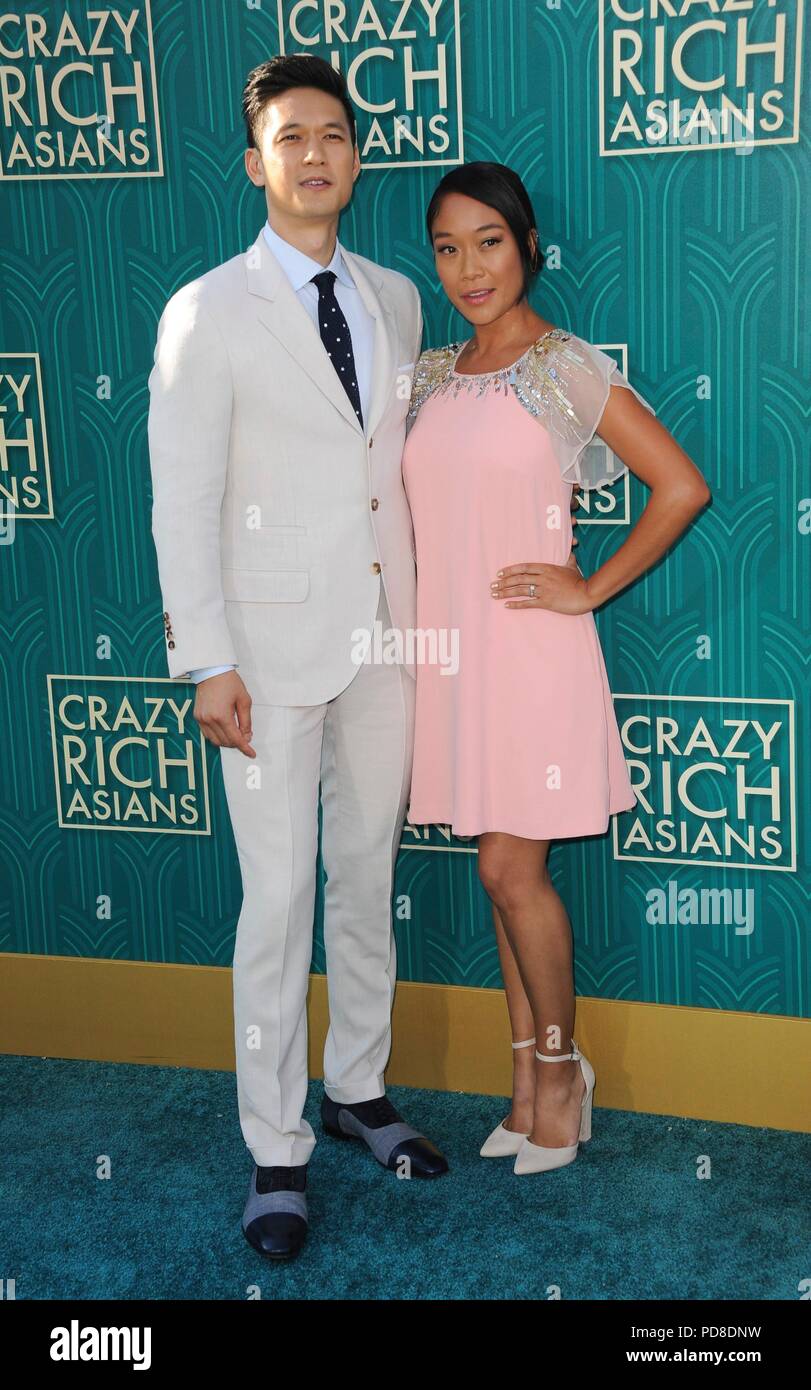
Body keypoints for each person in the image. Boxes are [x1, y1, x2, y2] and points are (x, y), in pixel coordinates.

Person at [147, 54, 452, 1263]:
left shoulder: (396, 297)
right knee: (275, 903)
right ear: (254, 162)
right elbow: (182, 501)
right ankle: (275, 1148)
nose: (314, 153)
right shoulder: (205, 310)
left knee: (364, 876)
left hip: (383, 636)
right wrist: (205, 660)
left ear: (357, 159)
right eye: (289, 137)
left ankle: (356, 1089)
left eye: (332, 134)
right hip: (262, 658)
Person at [402, 162, 711, 1175]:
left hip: (532, 654)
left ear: (527, 247)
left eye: (488, 242)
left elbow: (680, 485)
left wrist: (588, 587)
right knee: (499, 877)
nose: (468, 267)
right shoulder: (429, 375)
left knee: (508, 868)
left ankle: (561, 1074)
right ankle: (527, 1083)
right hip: (455, 661)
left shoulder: (562, 364)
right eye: (448, 248)